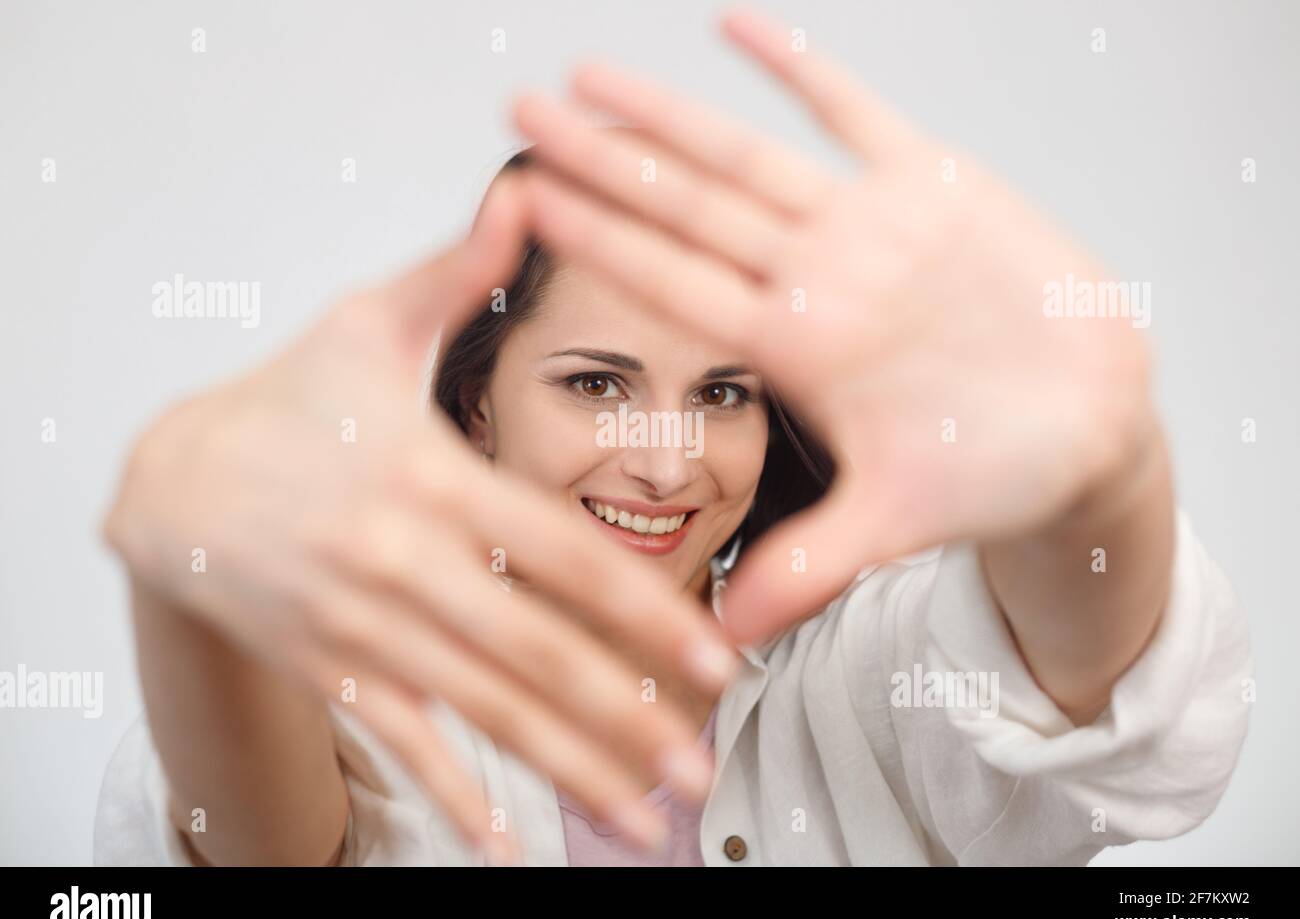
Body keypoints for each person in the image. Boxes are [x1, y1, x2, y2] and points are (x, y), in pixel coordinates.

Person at [93, 9, 1251, 867]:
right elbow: (238, 846)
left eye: (722, 393)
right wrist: (192, 591)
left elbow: (1091, 698)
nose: (664, 458)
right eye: (597, 383)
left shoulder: (858, 675)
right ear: (478, 403)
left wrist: (1103, 484)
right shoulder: (357, 701)